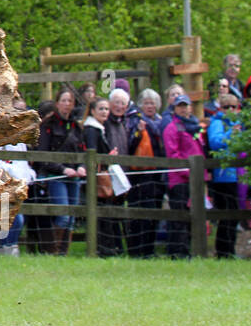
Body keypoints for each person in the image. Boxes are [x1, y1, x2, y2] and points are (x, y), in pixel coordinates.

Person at [33, 86, 85, 254]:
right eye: (64, 100)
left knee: (71, 217)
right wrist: (63, 169)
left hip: (75, 177)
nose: (67, 104)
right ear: (57, 103)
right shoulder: (48, 126)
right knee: (62, 214)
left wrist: (82, 167)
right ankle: (54, 252)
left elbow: (83, 151)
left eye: (70, 101)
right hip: (56, 176)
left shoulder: (76, 127)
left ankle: (64, 253)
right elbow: (43, 154)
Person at [163, 93, 207, 258]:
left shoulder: (195, 126)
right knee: (179, 216)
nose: (183, 109)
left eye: (185, 105)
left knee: (193, 216)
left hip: (195, 180)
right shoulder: (172, 128)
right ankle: (177, 251)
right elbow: (173, 155)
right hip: (179, 179)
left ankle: (190, 249)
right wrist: (189, 172)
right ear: (174, 108)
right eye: (180, 106)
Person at [124, 88, 166, 257]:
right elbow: (130, 146)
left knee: (154, 212)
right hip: (140, 174)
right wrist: (139, 132)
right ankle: (137, 250)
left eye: (153, 103)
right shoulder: (135, 121)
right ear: (141, 104)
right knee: (139, 213)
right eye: (147, 103)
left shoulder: (161, 122)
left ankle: (149, 249)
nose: (150, 106)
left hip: (158, 174)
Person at [83, 97, 124, 256]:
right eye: (101, 109)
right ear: (92, 111)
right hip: (97, 179)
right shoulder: (91, 129)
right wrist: (107, 157)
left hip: (101, 174)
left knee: (106, 213)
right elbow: (91, 152)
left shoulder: (99, 128)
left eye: (107, 109)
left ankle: (108, 247)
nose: (105, 112)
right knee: (101, 214)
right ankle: (102, 248)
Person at [206, 93, 244, 258]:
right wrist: (231, 134)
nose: (230, 110)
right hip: (222, 177)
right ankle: (223, 251)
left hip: (237, 175)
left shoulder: (237, 123)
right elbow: (215, 142)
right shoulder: (217, 123)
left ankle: (230, 249)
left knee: (234, 214)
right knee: (225, 215)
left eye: (233, 107)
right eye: (226, 106)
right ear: (220, 108)